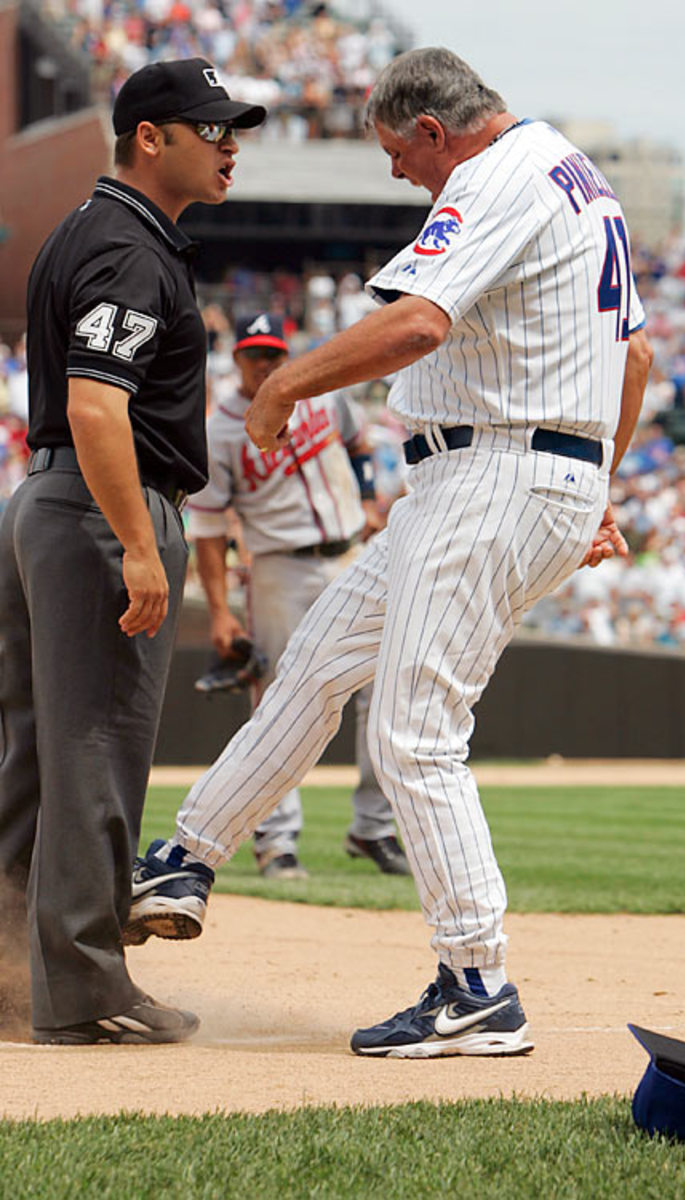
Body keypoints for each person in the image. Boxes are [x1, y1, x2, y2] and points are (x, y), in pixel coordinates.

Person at [127, 47, 652, 1057]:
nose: (398, 173)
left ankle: (477, 984)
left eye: (398, 154)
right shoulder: (575, 177)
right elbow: (635, 354)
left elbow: (416, 323)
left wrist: (284, 386)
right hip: (501, 475)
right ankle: (185, 858)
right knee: (313, 671)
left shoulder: (494, 175)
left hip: (492, 474)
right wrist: (597, 482)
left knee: (415, 735)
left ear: (433, 129)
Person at [0, 57, 266, 1045]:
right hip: (99, 508)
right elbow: (95, 405)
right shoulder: (127, 244)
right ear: (150, 137)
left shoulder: (88, 227)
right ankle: (85, 994)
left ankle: (12, 979)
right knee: (93, 752)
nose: (230, 146)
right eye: (213, 129)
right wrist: (138, 546)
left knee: (37, 757)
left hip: (51, 500)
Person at [186, 312, 410, 879]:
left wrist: (366, 499)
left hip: (352, 556)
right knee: (279, 699)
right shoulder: (221, 431)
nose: (266, 364)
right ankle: (276, 838)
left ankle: (374, 828)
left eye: (274, 354)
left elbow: (359, 445)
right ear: (237, 359)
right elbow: (208, 530)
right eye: (255, 355)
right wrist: (219, 612)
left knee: (383, 689)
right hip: (279, 568)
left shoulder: (323, 396)